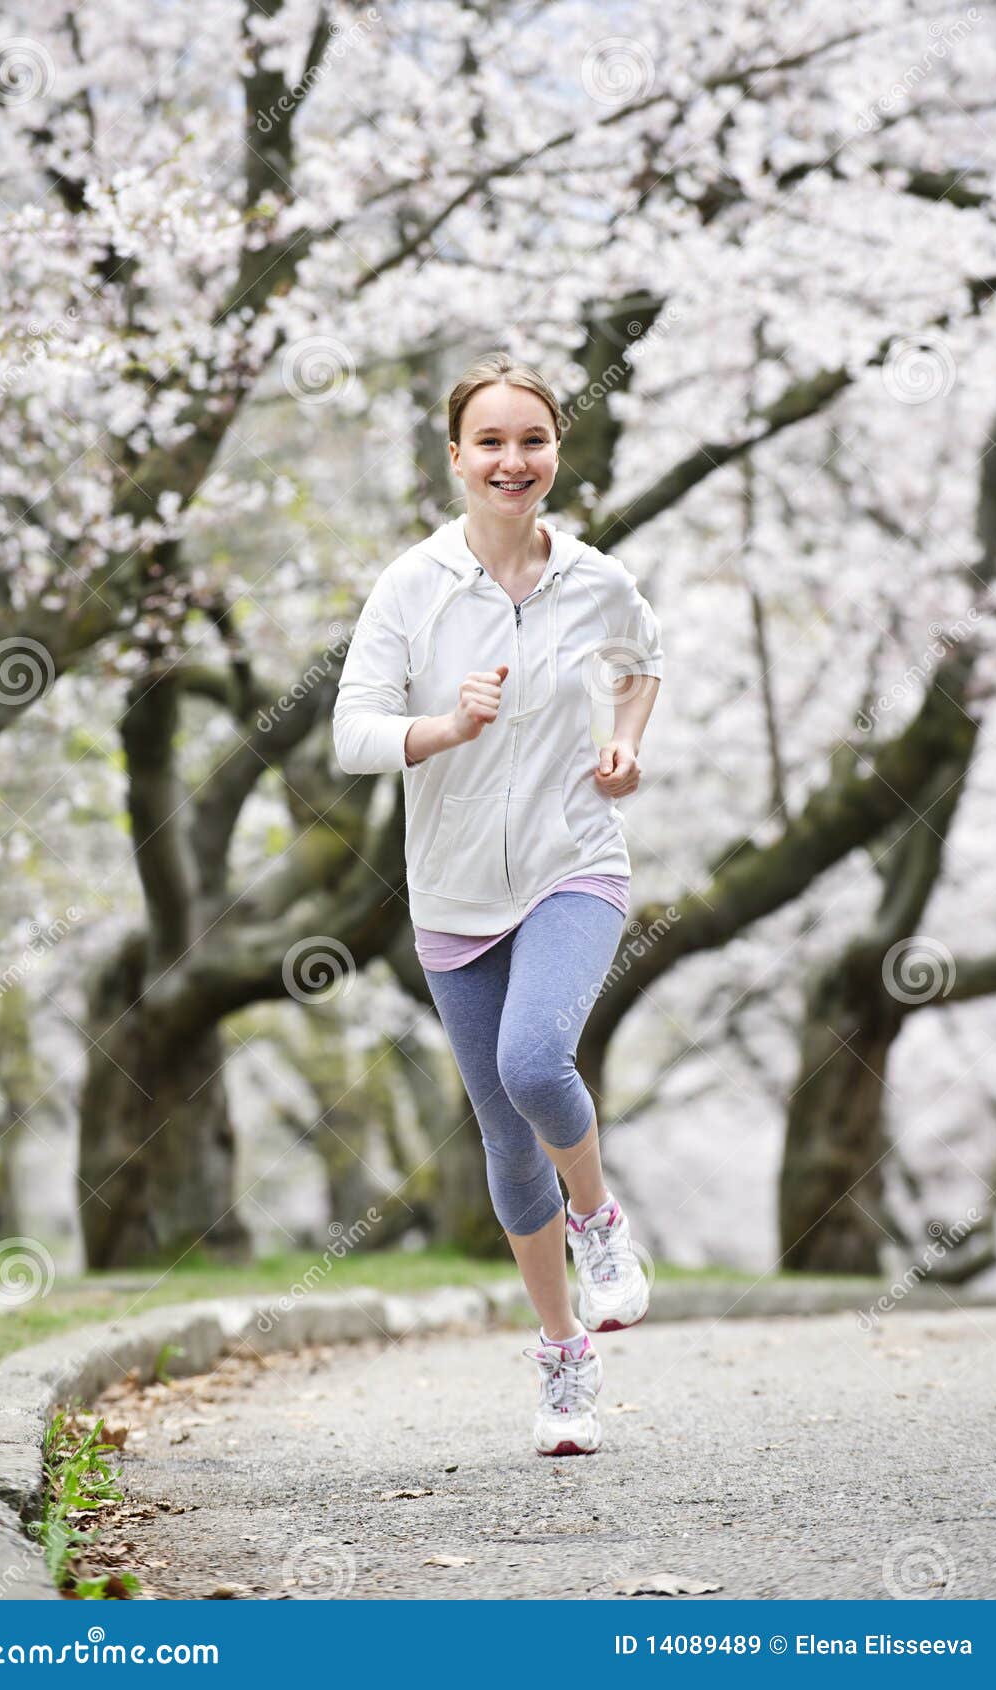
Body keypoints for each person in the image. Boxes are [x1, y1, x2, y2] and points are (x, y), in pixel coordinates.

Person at [332, 350, 663, 1456]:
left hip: (574, 862)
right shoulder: (411, 587)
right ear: (455, 457)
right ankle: (564, 1351)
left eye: (532, 440)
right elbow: (354, 731)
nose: (512, 460)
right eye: (491, 442)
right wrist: (444, 728)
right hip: (454, 889)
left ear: (554, 452)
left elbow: (639, 661)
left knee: (535, 1064)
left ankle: (599, 1220)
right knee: (502, 1140)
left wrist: (621, 744)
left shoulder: (596, 578)